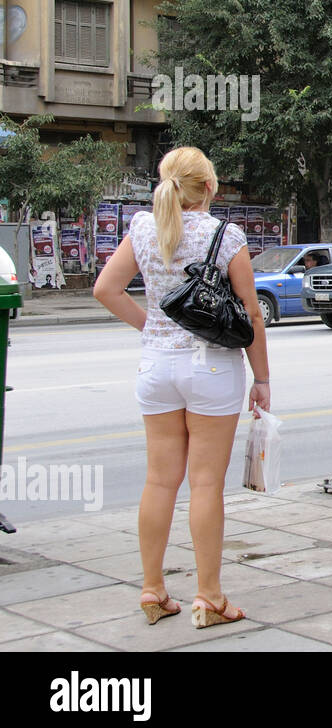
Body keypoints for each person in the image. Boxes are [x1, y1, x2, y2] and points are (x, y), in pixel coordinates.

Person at [94, 147, 270, 628]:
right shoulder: (225, 235)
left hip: (156, 368)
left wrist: (151, 328)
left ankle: (153, 592)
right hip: (211, 368)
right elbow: (251, 314)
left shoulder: (142, 228)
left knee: (158, 481)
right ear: (209, 188)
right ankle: (209, 598)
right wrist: (263, 379)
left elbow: (105, 289)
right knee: (206, 483)